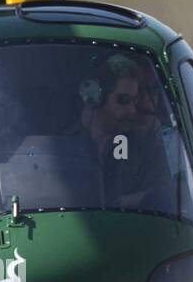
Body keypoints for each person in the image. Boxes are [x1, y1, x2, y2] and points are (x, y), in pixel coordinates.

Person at [65, 54, 171, 210]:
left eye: (133, 101)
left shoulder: (139, 149)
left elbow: (162, 194)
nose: (132, 110)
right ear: (95, 96)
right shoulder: (62, 149)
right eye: (124, 100)